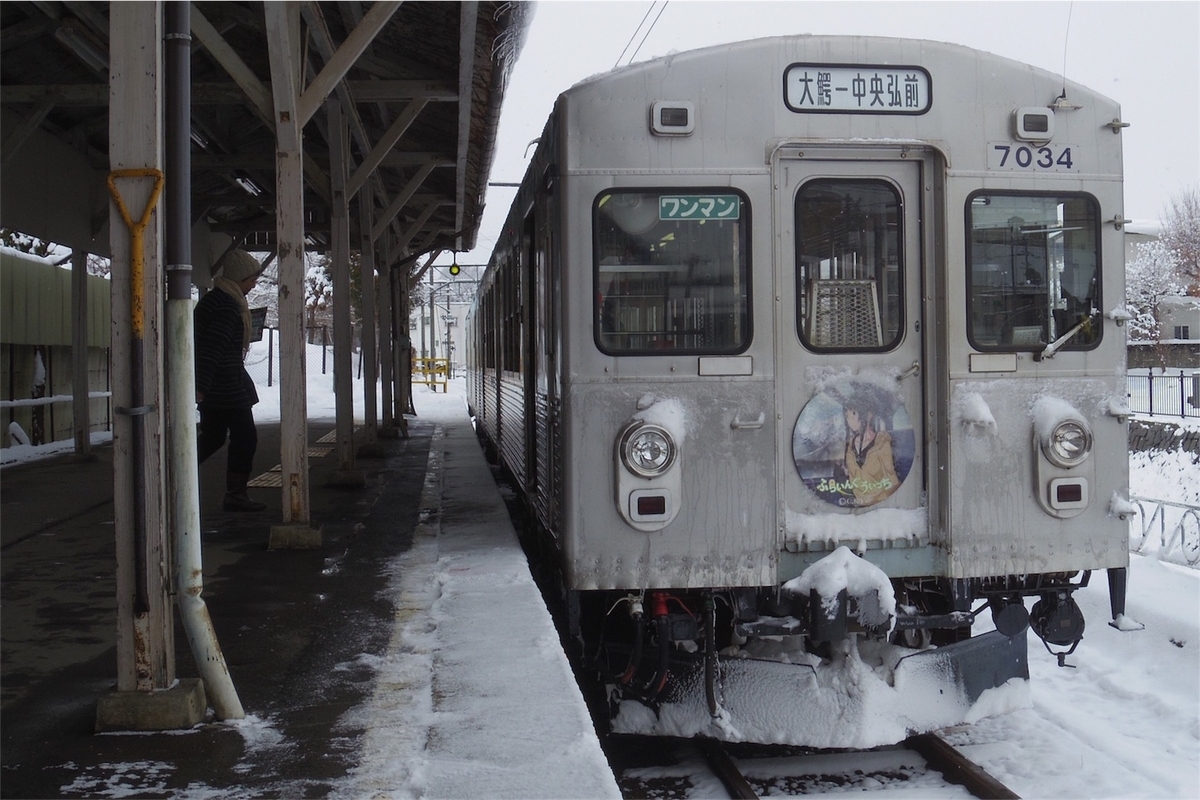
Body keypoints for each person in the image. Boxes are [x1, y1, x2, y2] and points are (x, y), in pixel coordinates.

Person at [195, 248, 267, 512]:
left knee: (213, 436)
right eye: (250, 280)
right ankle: (235, 494)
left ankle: (175, 475)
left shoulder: (218, 299)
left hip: (222, 383)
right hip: (224, 386)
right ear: (238, 279)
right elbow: (212, 348)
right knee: (245, 437)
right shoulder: (226, 307)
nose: (253, 285)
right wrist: (201, 386)